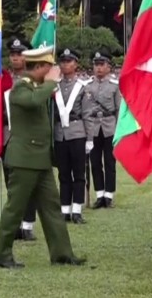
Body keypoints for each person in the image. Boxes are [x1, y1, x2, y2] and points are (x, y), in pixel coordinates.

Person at [0, 46, 87, 269]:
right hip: (24, 160)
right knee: (15, 209)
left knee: (52, 207)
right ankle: (1, 254)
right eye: (49, 65)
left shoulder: (37, 87)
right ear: (39, 67)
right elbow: (33, 101)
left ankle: (62, 253)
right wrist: (52, 82)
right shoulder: (20, 88)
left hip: (41, 159)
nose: (55, 69)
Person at [3, 38, 38, 240]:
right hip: (8, 137)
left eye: (20, 53)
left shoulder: (34, 80)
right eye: (13, 54)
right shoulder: (3, 80)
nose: (16, 57)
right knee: (11, 185)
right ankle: (14, 225)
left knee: (29, 184)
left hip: (28, 138)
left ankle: (27, 224)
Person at [53, 48, 89, 224]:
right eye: (63, 61)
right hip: (60, 134)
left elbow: (88, 115)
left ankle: (77, 209)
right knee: (63, 174)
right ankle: (64, 209)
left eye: (69, 61)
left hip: (77, 133)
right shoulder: (55, 86)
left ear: (75, 64)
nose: (65, 64)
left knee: (79, 173)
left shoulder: (83, 87)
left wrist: (89, 139)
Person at [82, 50, 120, 208]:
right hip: (93, 128)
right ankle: (99, 194)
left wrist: (119, 131)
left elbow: (118, 109)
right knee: (95, 162)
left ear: (108, 67)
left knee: (110, 162)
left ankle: (109, 195)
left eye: (101, 65)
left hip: (110, 126)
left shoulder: (114, 86)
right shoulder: (87, 86)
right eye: (96, 65)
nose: (98, 68)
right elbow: (84, 110)